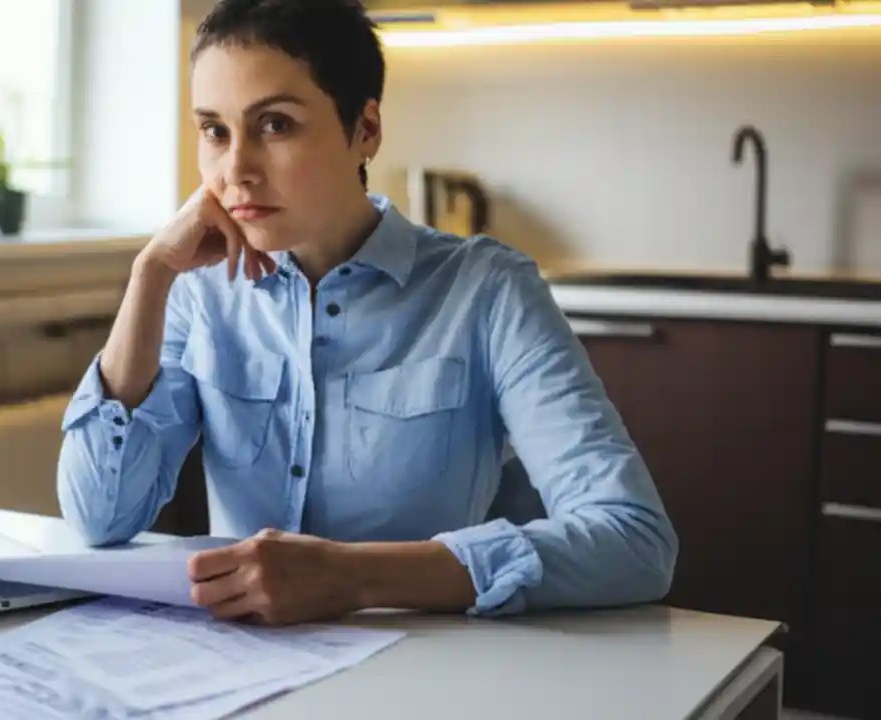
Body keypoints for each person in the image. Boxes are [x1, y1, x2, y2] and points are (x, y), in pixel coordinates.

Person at [57, 0, 677, 626]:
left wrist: (354, 576)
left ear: (366, 129)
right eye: (215, 131)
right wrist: (150, 275)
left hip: (429, 669)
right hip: (241, 672)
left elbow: (634, 540)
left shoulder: (486, 290)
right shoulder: (199, 290)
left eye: (275, 125)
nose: (236, 170)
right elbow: (100, 516)